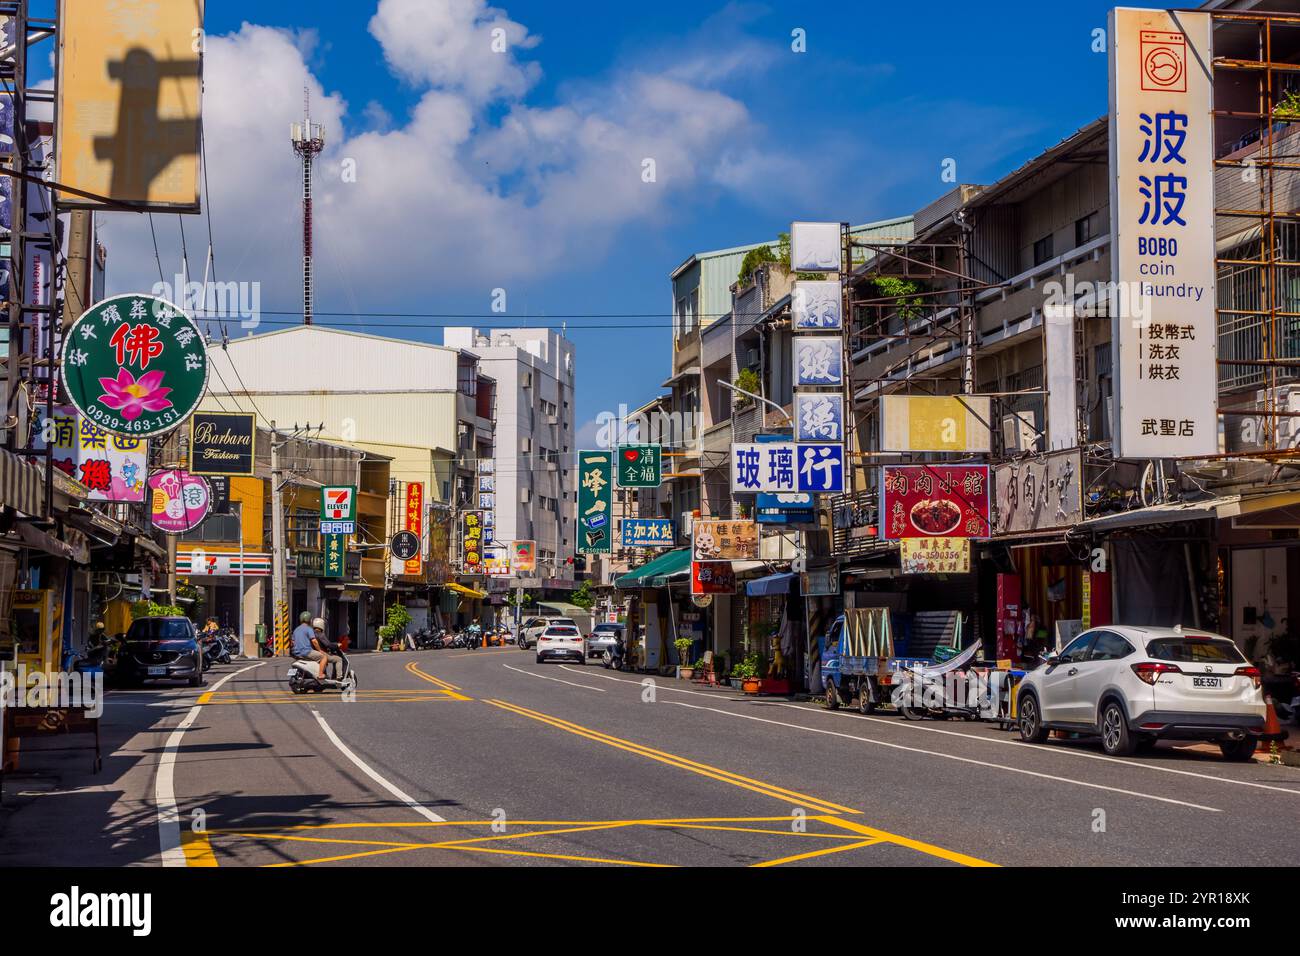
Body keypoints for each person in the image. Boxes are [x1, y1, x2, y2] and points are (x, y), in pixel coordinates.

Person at [291, 611, 329, 679]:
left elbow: (292, 642)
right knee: (324, 657)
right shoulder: (309, 629)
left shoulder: (296, 630)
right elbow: (314, 641)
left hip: (296, 653)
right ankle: (320, 674)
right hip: (306, 652)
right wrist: (320, 650)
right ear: (309, 620)